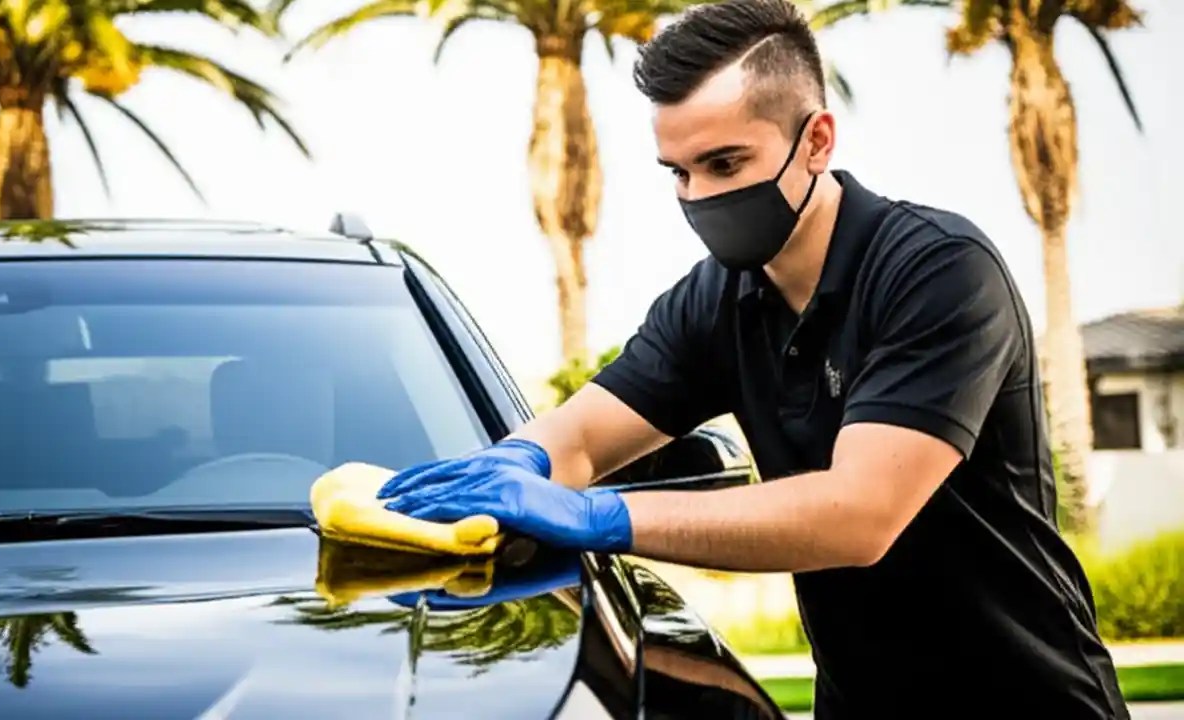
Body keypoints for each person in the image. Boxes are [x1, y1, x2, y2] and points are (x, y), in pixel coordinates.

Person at [377, 0, 1129, 717]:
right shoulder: (713, 302)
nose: (699, 196)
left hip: (1025, 698)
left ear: (817, 141)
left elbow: (858, 516)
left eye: (725, 163)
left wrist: (598, 514)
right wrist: (515, 467)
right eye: (678, 171)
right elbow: (577, 439)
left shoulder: (938, 271)